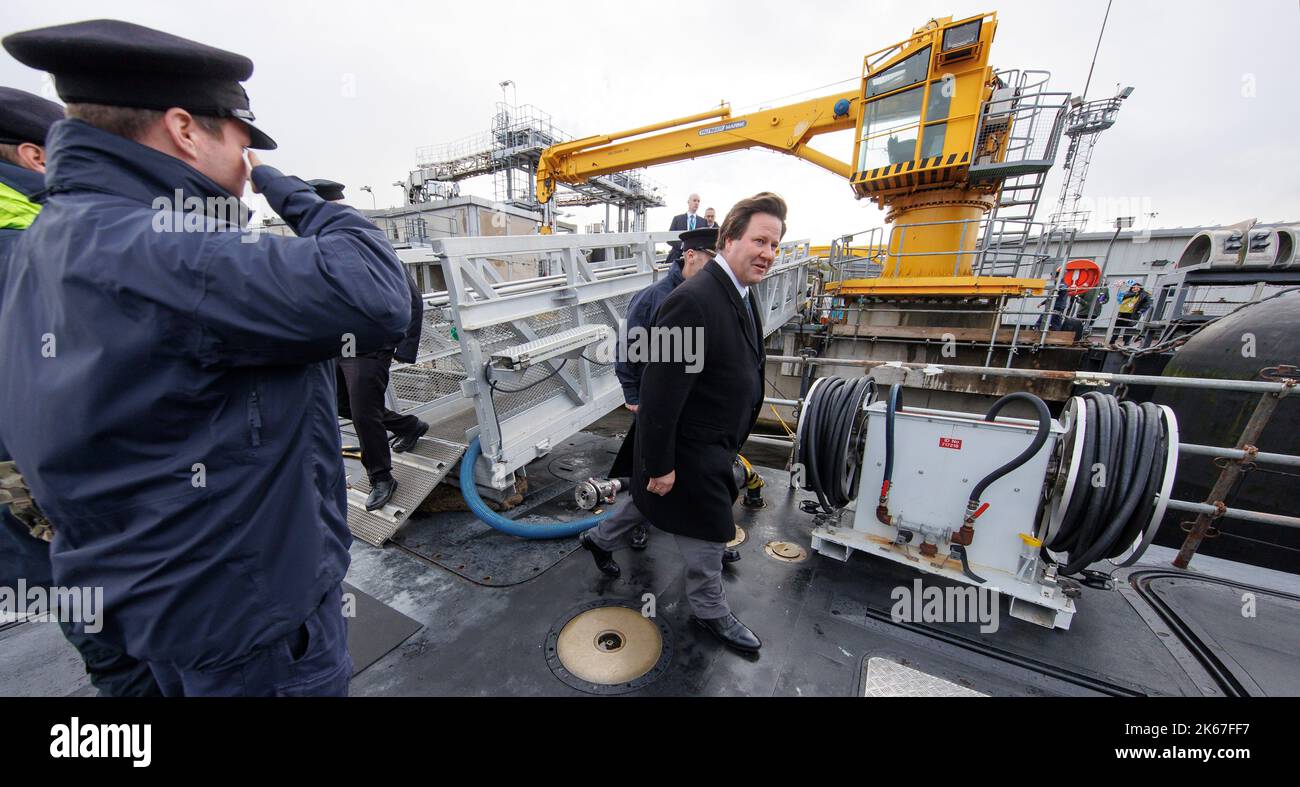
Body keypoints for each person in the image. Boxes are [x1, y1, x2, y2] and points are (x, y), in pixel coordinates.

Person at [0, 19, 412, 696]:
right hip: (250, 623)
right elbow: (375, 293)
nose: (248, 171)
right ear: (186, 129)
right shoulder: (166, 249)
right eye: (245, 144)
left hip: (153, 606)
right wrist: (297, 193)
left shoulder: (45, 241)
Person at [0, 85, 162, 696]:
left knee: (109, 653)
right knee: (142, 657)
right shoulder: (39, 248)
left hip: (32, 526)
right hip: (89, 518)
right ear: (36, 158)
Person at [596, 192, 784, 654]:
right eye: (760, 240)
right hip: (691, 448)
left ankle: (596, 537)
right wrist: (659, 465)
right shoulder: (693, 301)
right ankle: (710, 610)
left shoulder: (740, 292)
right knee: (708, 533)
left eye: (775, 245)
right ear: (729, 239)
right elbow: (659, 395)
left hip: (713, 443)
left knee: (648, 504)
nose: (769, 253)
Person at [596, 227, 738, 560]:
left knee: (680, 473)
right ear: (690, 255)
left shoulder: (710, 294)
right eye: (712, 260)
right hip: (656, 401)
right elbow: (628, 350)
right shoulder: (655, 297)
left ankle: (709, 542)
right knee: (653, 470)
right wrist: (633, 395)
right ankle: (632, 530)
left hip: (691, 406)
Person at [309, 178, 428, 511]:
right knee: (340, 405)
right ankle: (409, 425)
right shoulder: (320, 245)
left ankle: (382, 477)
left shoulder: (364, 241)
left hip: (371, 344)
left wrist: (405, 348)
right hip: (340, 345)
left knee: (363, 413)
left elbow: (412, 296)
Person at [665, 192, 703, 266]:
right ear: (688, 202)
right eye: (694, 200)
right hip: (677, 257)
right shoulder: (677, 219)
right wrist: (682, 246)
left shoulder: (703, 221)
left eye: (698, 201)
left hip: (695, 259)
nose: (696, 203)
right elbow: (669, 239)